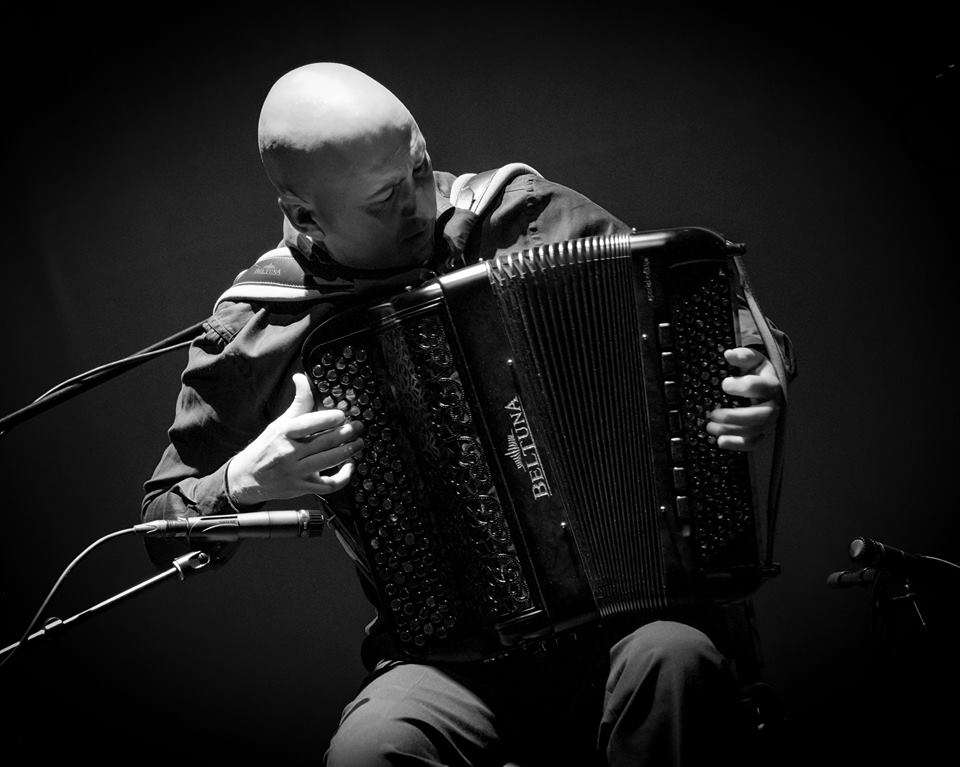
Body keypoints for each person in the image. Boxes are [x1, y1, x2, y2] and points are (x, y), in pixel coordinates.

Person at [142, 62, 794, 766]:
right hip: (452, 659)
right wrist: (243, 480)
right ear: (305, 216)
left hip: (634, 617)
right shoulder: (259, 326)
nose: (420, 204)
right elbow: (161, 519)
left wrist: (755, 371)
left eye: (419, 169)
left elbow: (716, 317)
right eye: (386, 198)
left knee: (677, 661)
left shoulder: (520, 214)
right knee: (369, 753)